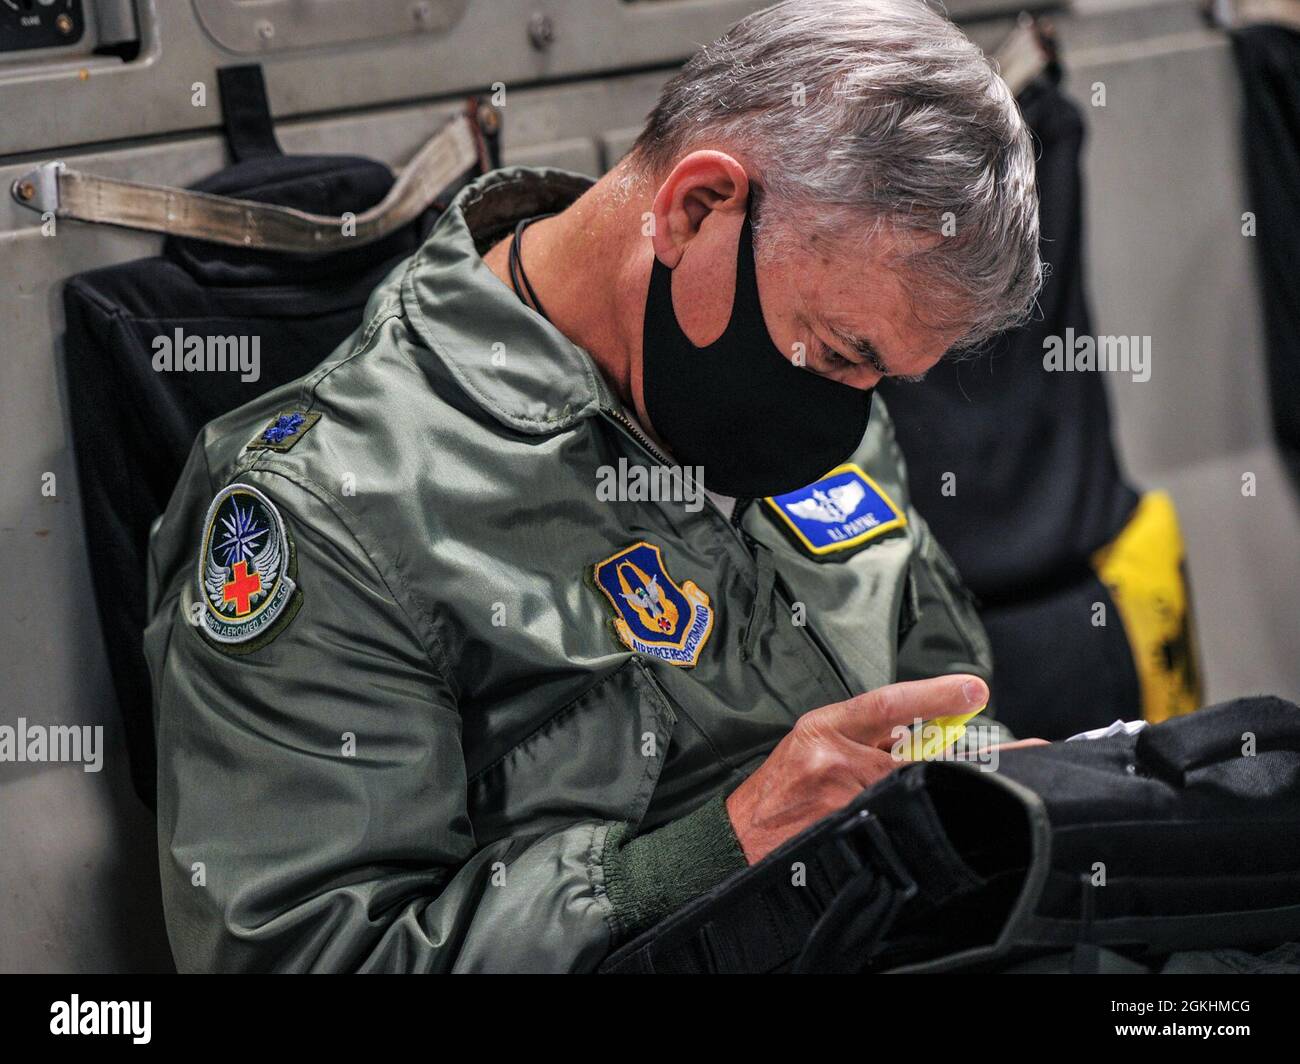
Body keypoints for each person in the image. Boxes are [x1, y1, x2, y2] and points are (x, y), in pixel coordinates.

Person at [143, 0, 1043, 972]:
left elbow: (940, 685)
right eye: (837, 354)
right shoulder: (332, 512)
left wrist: (1004, 789)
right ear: (696, 209)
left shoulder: (808, 371)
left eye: (886, 378)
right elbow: (303, 955)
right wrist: (708, 856)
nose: (851, 412)